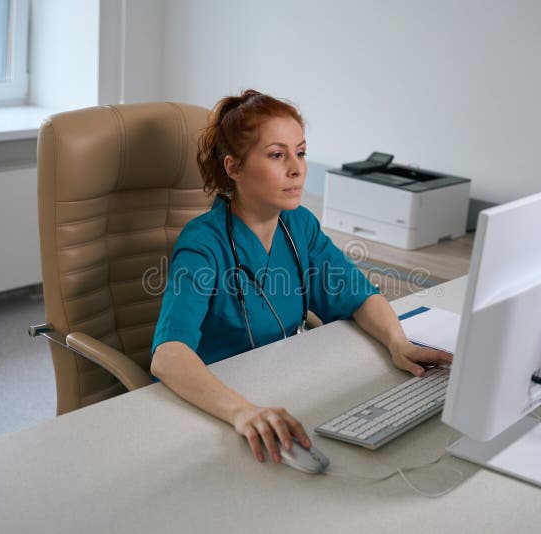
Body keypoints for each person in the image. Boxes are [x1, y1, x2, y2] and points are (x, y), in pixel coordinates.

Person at [150, 89, 452, 465]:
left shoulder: (298, 225)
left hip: (282, 386)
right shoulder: (202, 243)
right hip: (217, 406)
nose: (297, 169)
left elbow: (358, 294)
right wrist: (241, 412)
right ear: (234, 168)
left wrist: (397, 342)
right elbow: (168, 356)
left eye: (301, 152)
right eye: (277, 155)